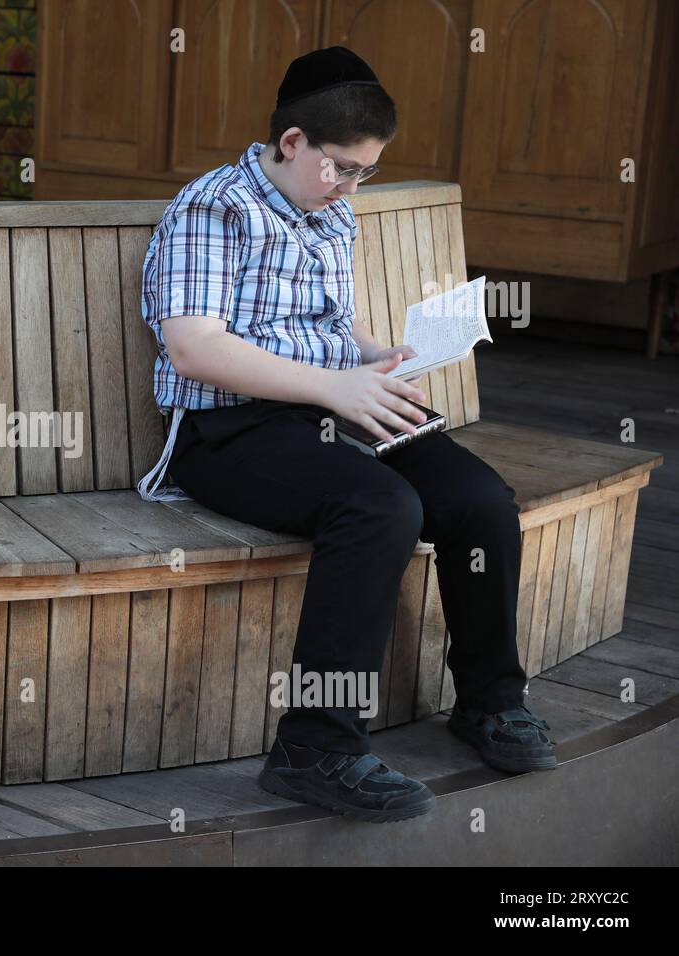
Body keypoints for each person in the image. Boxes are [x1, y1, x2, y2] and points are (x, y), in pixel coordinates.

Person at [137, 48, 556, 823]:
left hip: (332, 408)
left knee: (480, 499)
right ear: (291, 143)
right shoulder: (214, 208)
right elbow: (194, 345)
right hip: (229, 428)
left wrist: (375, 357)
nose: (352, 186)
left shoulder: (329, 208)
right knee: (379, 507)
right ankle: (315, 747)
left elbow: (324, 324)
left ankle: (492, 700)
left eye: (365, 172)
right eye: (343, 168)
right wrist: (336, 385)